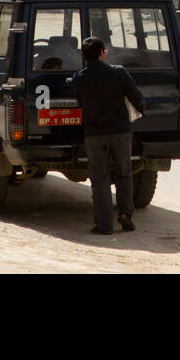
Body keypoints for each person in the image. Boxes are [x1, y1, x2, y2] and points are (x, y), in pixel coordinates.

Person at [73, 36, 145, 234]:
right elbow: (137, 97)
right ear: (102, 53)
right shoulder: (118, 72)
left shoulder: (79, 78)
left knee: (100, 179)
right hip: (121, 132)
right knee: (124, 173)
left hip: (95, 134)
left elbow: (80, 103)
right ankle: (125, 214)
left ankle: (104, 225)